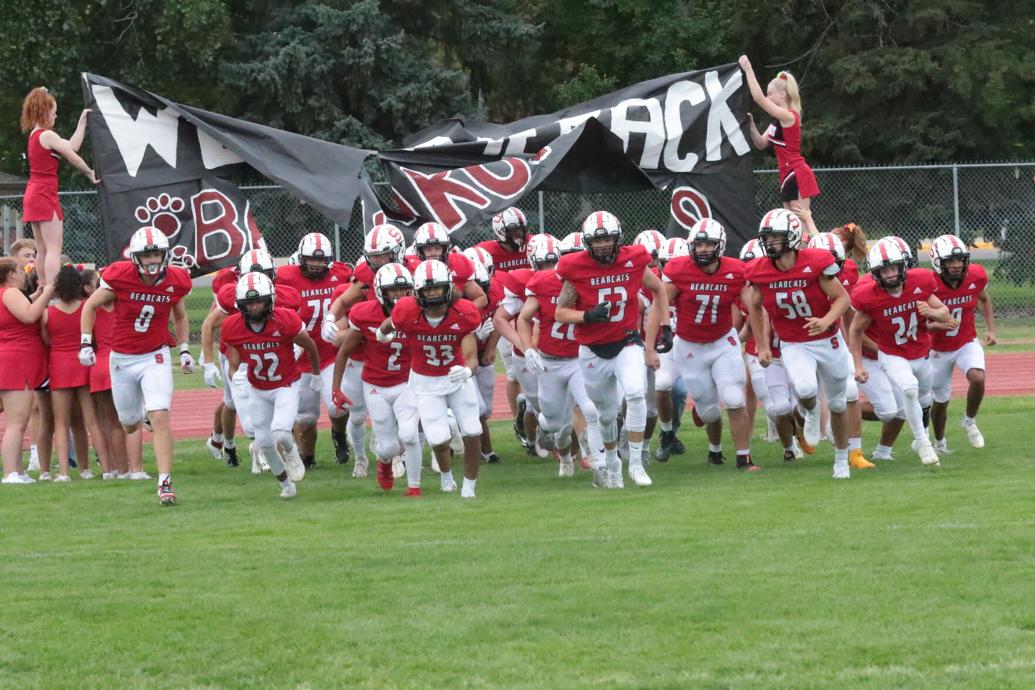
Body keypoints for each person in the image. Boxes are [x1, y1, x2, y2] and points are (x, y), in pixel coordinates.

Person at [555, 211, 671, 489]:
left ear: (618, 238)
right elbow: (560, 312)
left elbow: (659, 289)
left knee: (635, 392)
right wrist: (586, 316)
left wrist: (665, 324)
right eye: (598, 240)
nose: (604, 245)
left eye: (608, 238)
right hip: (593, 349)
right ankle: (612, 462)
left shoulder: (633, 260)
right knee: (605, 415)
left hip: (627, 341)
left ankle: (635, 462)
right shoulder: (574, 267)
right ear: (587, 243)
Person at [80, 227, 194, 505]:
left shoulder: (176, 279)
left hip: (155, 355)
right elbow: (90, 307)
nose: (153, 260)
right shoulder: (120, 275)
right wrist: (85, 342)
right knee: (129, 424)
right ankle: (141, 415)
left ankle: (164, 482)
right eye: (147, 255)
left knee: (161, 416)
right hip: (122, 358)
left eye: (157, 253)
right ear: (136, 258)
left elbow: (179, 316)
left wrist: (185, 349)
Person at [744, 209, 852, 478]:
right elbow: (755, 308)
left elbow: (843, 299)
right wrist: (763, 346)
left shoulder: (815, 262)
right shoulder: (760, 270)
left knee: (838, 404)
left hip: (828, 340)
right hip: (793, 342)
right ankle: (812, 412)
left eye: (775, 238)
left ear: (791, 237)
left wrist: (826, 320)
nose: (770, 244)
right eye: (767, 238)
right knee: (805, 388)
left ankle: (841, 459)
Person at [376, 259, 483, 498]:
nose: (433, 294)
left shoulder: (464, 312)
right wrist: (381, 334)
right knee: (438, 438)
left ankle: (469, 487)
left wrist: (466, 371)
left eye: (437, 288)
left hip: (456, 379)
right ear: (418, 292)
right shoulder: (407, 310)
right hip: (425, 381)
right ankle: (446, 478)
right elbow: (388, 324)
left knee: (473, 430)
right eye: (427, 289)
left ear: (449, 288)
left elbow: (471, 358)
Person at [663, 219, 760, 471]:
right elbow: (660, 301)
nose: (704, 249)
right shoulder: (679, 269)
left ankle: (744, 458)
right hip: (689, 346)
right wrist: (662, 329)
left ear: (721, 245)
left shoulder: (736, 270)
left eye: (709, 244)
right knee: (709, 413)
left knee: (733, 398)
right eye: (699, 244)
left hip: (722, 342)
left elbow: (754, 308)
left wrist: (763, 342)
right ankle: (715, 450)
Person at [849, 239, 953, 466]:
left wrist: (933, 313)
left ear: (902, 266)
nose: (890, 274)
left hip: (920, 351)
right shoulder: (869, 295)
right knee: (908, 389)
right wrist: (858, 365)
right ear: (875, 273)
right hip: (891, 353)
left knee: (925, 398)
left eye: (893, 267)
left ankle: (920, 438)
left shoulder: (920, 281)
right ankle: (922, 442)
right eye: (883, 270)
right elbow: (855, 330)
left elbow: (945, 313)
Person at [331, 263, 424, 495]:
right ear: (381, 292)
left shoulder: (418, 311)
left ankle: (414, 487)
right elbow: (343, 351)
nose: (400, 295)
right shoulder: (364, 314)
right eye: (393, 290)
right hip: (375, 385)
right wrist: (336, 389)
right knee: (390, 446)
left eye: (404, 290)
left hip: (405, 382)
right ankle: (384, 462)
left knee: (409, 435)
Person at [517, 234, 606, 477]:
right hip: (550, 362)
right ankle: (553, 439)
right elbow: (523, 319)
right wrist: (528, 350)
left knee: (590, 408)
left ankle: (599, 462)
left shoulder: (595, 283)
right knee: (556, 424)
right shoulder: (544, 282)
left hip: (579, 358)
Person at [223, 272, 317, 499]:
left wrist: (316, 373)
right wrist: (234, 373)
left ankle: (293, 451)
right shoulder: (232, 326)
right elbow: (233, 357)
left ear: (270, 300)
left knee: (282, 433)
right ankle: (287, 486)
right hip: (258, 388)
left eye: (259, 301)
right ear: (240, 304)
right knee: (264, 443)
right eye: (250, 302)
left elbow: (310, 345)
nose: (255, 307)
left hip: (286, 384)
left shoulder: (285, 320)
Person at [276, 232, 354, 468]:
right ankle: (307, 457)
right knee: (306, 417)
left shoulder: (340, 274)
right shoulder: (284, 278)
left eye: (321, 260)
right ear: (300, 258)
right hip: (299, 359)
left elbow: (359, 287)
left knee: (339, 408)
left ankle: (339, 434)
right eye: (311, 259)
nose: (317, 264)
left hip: (330, 355)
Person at [19, 88, 98, 285]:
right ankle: (52, 291)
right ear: (44, 111)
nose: (56, 115)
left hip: (33, 192)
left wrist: (82, 122)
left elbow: (72, 146)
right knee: (54, 248)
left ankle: (43, 288)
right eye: (54, 111)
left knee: (42, 248)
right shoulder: (47, 135)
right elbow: (73, 157)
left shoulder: (35, 135)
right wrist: (90, 173)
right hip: (44, 192)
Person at [41, 265, 111, 481]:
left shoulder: (47, 313)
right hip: (83, 365)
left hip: (60, 366)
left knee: (61, 423)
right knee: (90, 421)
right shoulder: (88, 308)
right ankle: (102, 469)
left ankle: (63, 472)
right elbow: (95, 336)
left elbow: (47, 341)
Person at [927, 234, 995, 452]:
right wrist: (936, 326)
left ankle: (969, 421)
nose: (956, 266)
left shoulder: (974, 276)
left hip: (966, 340)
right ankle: (939, 442)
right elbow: (918, 323)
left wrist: (991, 329)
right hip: (937, 349)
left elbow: (984, 298)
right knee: (940, 400)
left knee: (978, 377)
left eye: (959, 260)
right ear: (938, 261)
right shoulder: (928, 284)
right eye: (950, 261)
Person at [739, 57, 820, 239]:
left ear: (782, 95)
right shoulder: (777, 121)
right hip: (786, 176)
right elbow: (761, 144)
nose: (768, 97)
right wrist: (751, 124)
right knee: (792, 230)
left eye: (770, 93)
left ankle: (813, 260)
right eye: (767, 94)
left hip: (797, 173)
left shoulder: (789, 116)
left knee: (803, 228)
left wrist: (748, 69)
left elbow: (758, 98)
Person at [0, 257, 52, 484]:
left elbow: (22, 308)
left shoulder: (9, 294)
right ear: (11, 274)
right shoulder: (9, 291)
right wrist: (48, 294)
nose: (24, 274)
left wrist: (38, 296)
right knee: (17, 421)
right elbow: (29, 315)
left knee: (17, 421)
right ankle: (11, 473)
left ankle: (17, 471)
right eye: (20, 270)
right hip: (16, 359)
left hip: (17, 357)